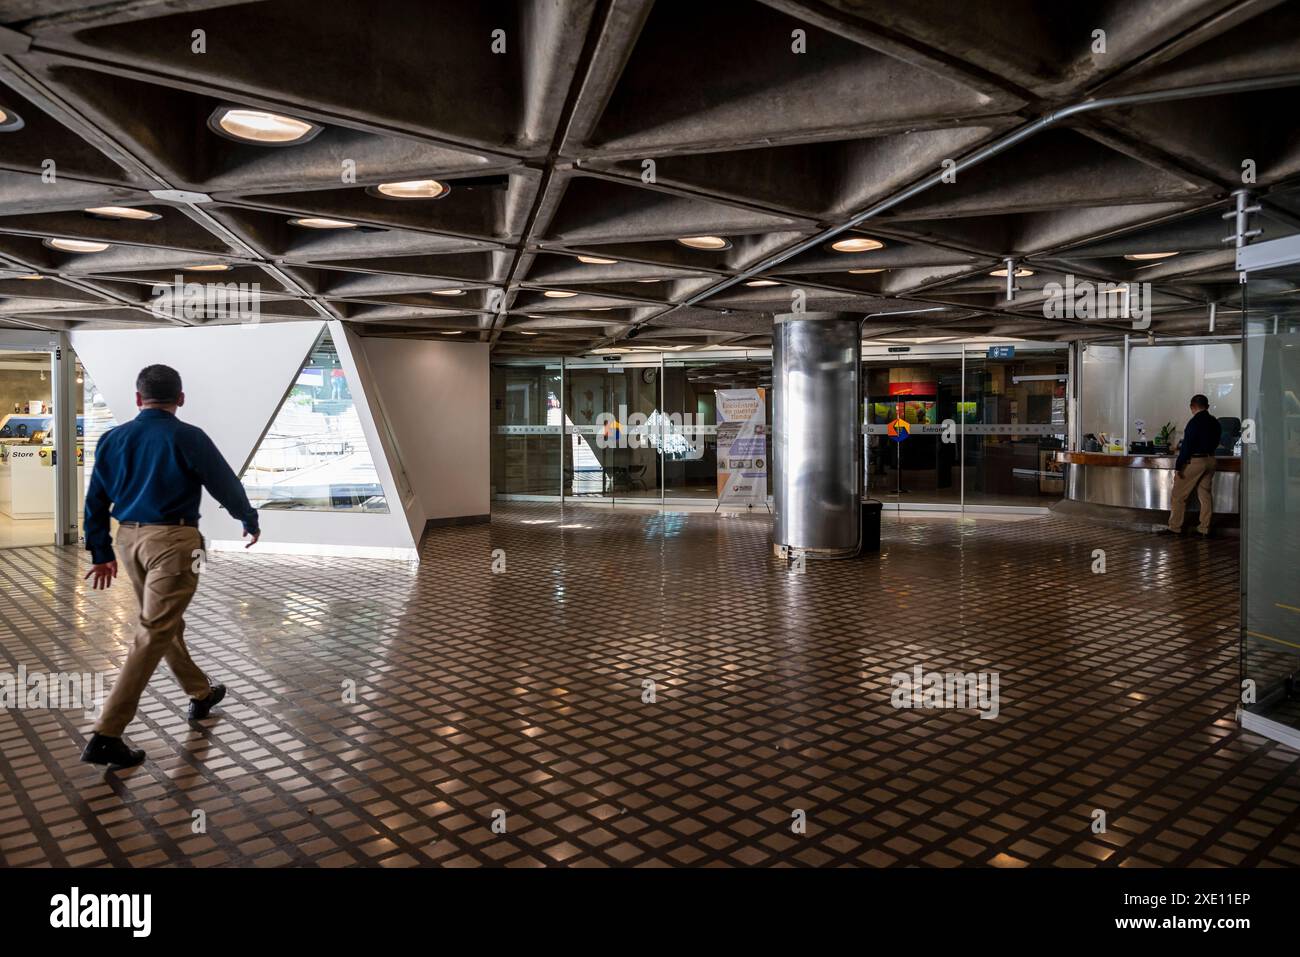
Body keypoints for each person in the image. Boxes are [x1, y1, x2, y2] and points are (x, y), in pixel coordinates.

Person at [81, 364, 260, 769]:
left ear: (138, 398)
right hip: (174, 543)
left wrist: (101, 551)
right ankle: (107, 733)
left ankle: (200, 692)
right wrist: (248, 518)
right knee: (154, 630)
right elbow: (224, 483)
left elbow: (95, 500)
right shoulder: (187, 436)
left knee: (164, 622)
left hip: (129, 541)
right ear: (180, 399)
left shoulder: (112, 438)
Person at [1164, 393, 1222, 537]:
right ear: (1207, 406)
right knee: (1205, 495)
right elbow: (1217, 441)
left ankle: (1174, 527)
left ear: (1192, 407)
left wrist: (1178, 466)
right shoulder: (1215, 422)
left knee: (1178, 494)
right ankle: (1204, 528)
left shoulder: (1194, 422)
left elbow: (1187, 447)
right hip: (1211, 460)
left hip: (1196, 461)